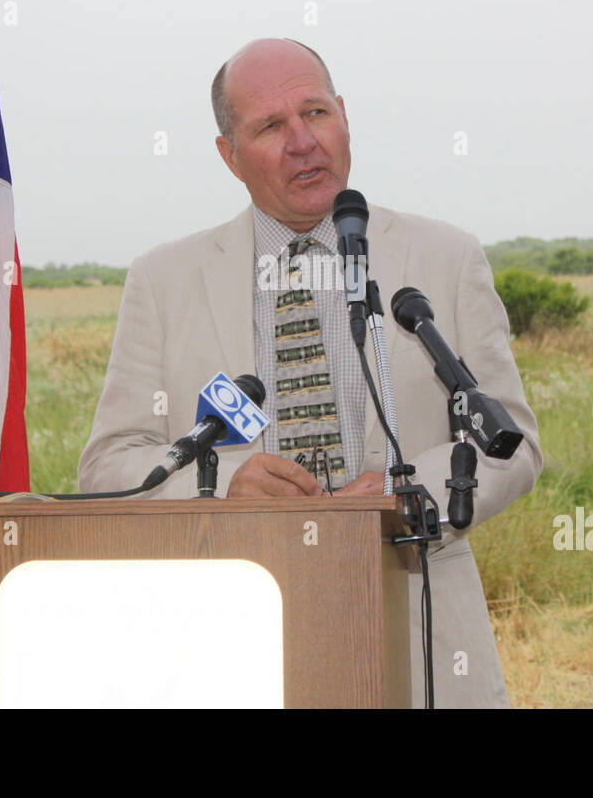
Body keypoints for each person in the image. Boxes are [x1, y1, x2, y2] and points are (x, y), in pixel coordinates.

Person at [77, 38, 543, 707]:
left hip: (421, 639)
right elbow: (108, 466)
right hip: (229, 644)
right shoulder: (164, 280)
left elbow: (514, 442)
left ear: (345, 117)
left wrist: (407, 494)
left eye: (316, 113)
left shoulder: (444, 256)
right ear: (228, 153)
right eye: (270, 126)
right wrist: (224, 483)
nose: (303, 141)